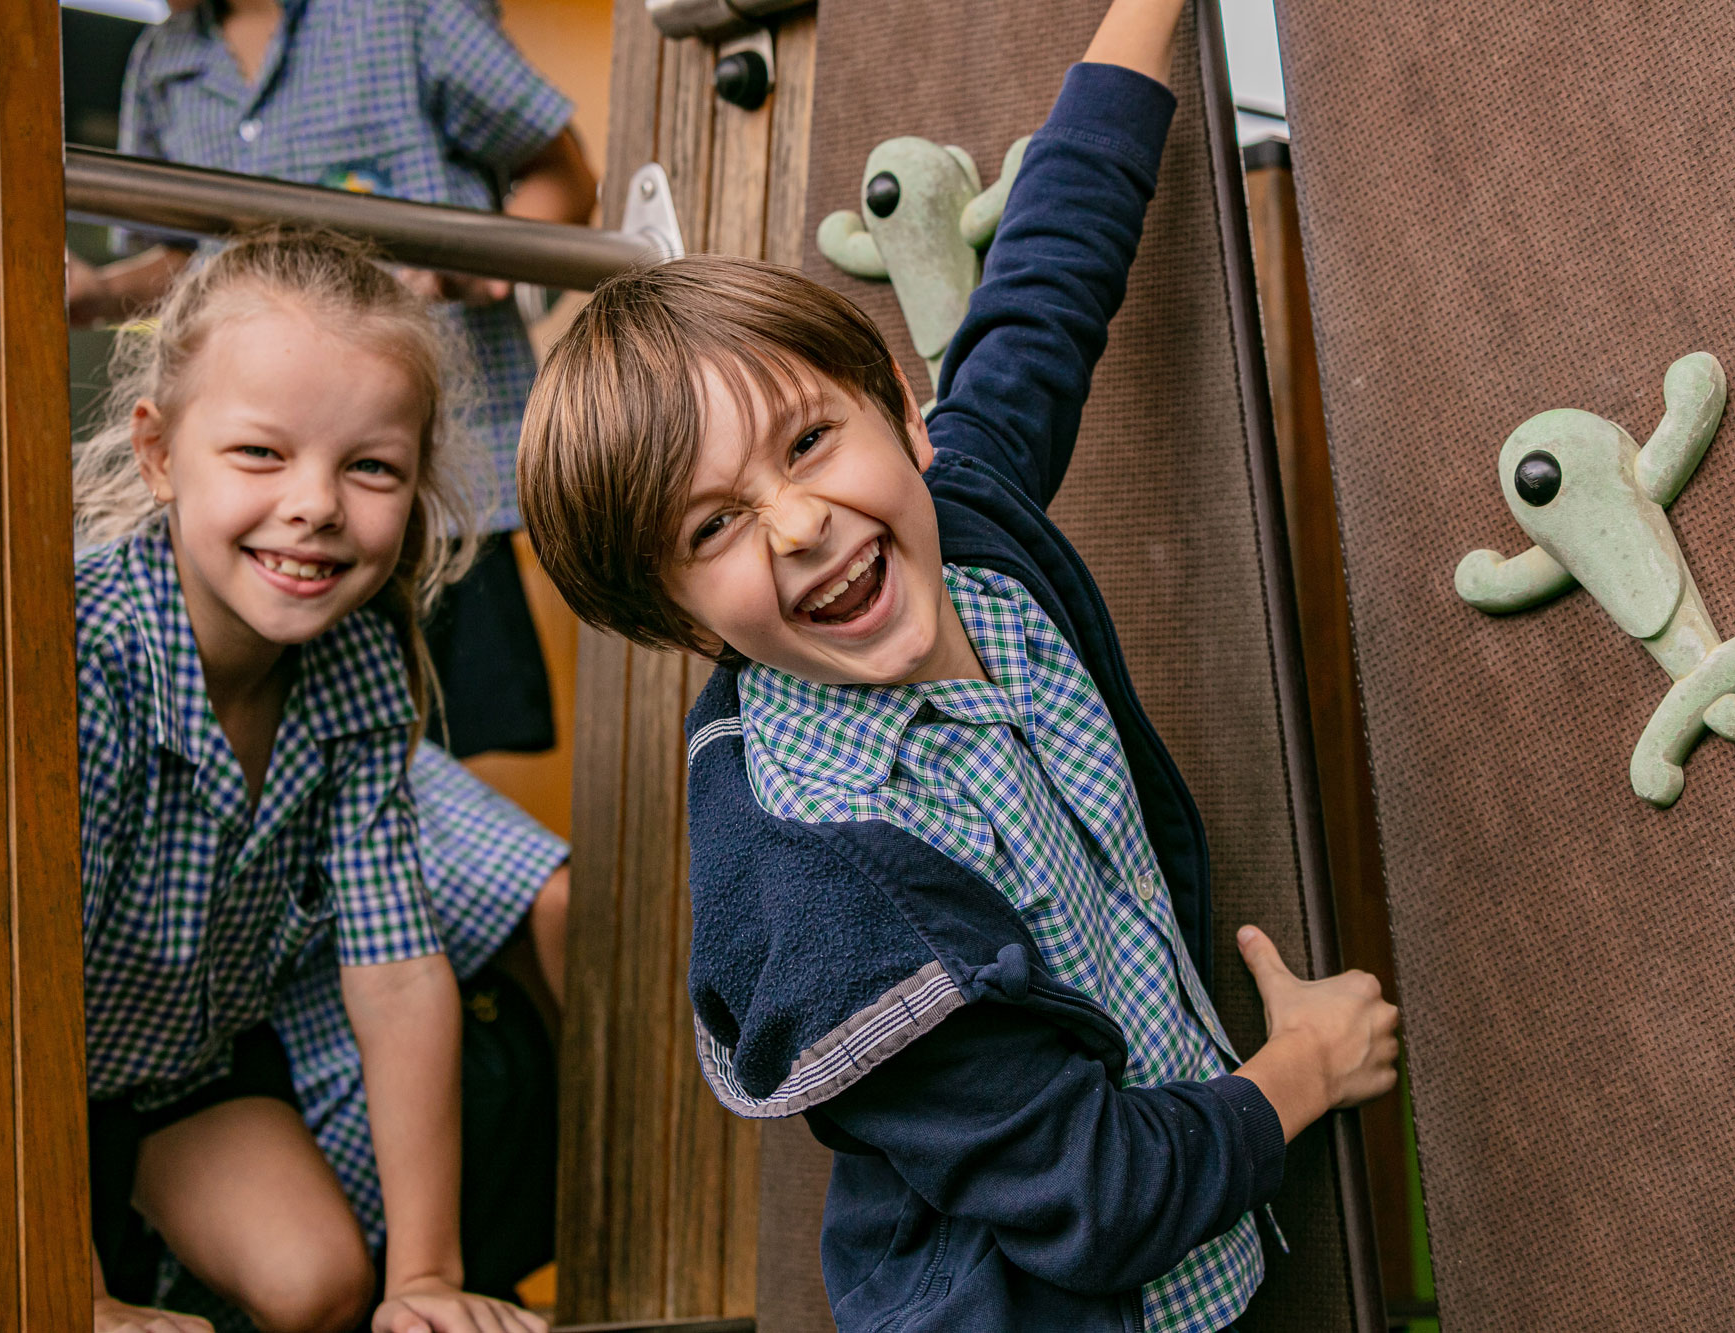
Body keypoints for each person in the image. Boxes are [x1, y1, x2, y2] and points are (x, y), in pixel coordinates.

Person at [514, 0, 1401, 1328]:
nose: (802, 521)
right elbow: (1094, 1195)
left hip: (1195, 1238)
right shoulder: (824, 891)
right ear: (683, 619)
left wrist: (1148, 14)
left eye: (810, 441)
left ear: (900, 408)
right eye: (715, 526)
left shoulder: (970, 525)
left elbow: (1044, 293)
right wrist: (1301, 1072)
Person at [74, 227, 553, 1333]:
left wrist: (424, 1276)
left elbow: (394, 975)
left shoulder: (359, 665)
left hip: (180, 1063)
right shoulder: (92, 653)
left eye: (370, 466)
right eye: (259, 455)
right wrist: (65, 1286)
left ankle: (150, 1241)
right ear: (157, 454)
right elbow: (14, 986)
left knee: (320, 1284)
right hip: (19, 1063)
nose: (316, 505)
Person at [68, 0, 597, 759]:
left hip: (416, 480)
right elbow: (191, 261)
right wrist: (96, 292)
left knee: (429, 733)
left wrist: (479, 260)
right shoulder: (163, 64)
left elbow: (563, 175)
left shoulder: (404, 14)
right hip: (266, 456)